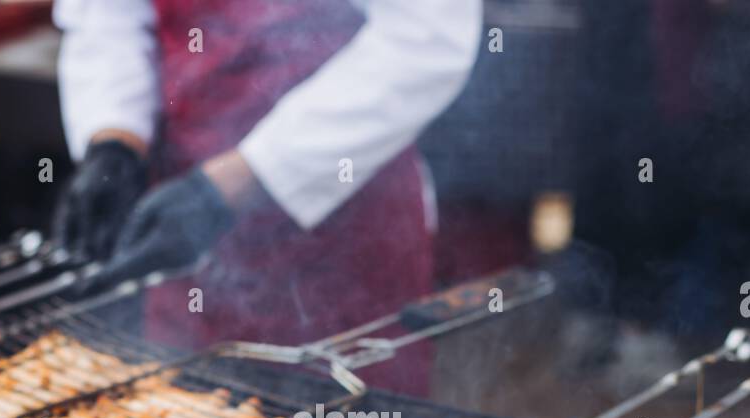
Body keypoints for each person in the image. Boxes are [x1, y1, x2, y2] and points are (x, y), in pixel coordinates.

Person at [51, 0, 482, 394]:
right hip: (179, 220)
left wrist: (243, 176)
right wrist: (114, 137)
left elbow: (426, 42)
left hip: (344, 217)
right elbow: (106, 15)